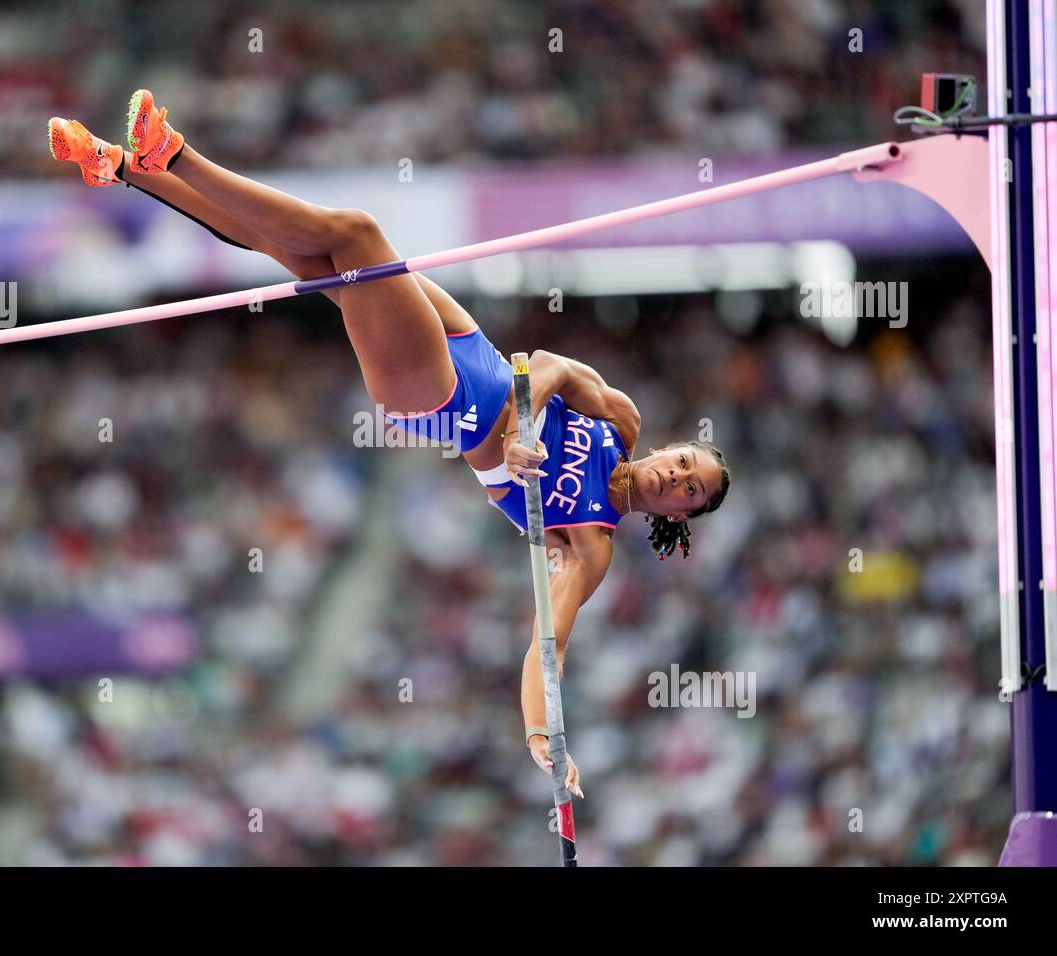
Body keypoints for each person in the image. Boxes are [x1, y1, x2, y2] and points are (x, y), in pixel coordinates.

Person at [48, 91, 731, 797]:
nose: (676, 478)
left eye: (689, 491)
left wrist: (541, 737)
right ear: (673, 446)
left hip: (441, 398)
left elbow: (547, 646)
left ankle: (175, 153)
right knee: (304, 254)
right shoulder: (621, 419)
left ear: (677, 517)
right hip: (476, 347)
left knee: (356, 237)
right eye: (685, 463)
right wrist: (526, 422)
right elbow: (548, 364)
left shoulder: (588, 542)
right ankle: (123, 166)